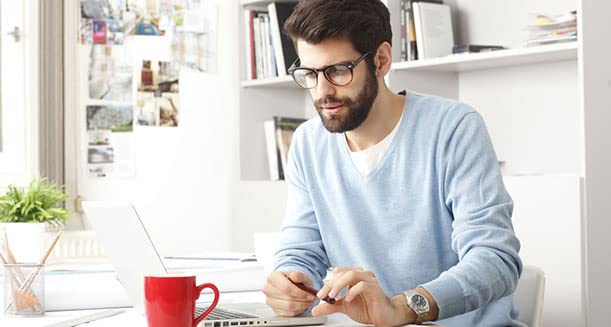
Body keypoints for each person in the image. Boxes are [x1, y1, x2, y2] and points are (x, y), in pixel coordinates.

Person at [261, 0, 523, 326]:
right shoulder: (307, 143)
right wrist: (290, 280)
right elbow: (301, 248)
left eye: (338, 71)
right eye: (309, 74)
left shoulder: (454, 127)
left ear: (381, 60)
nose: (322, 91)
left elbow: (495, 260)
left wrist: (403, 307)